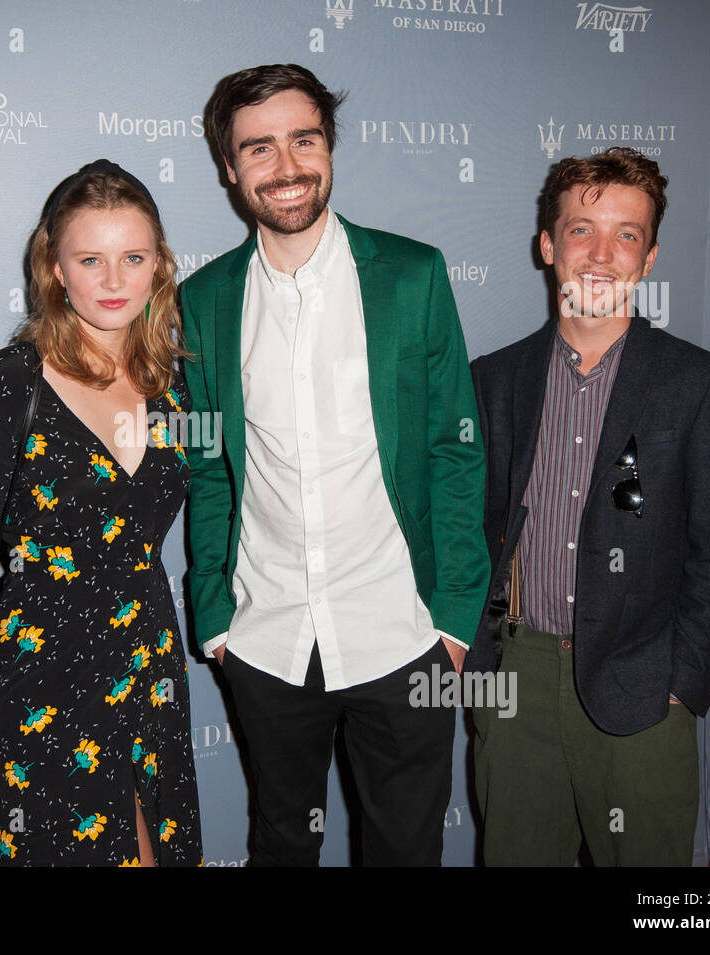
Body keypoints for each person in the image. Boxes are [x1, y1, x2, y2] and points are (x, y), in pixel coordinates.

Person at [181, 64, 489, 866]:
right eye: (258, 147)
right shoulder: (203, 300)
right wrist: (215, 614)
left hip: (404, 632)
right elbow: (209, 464)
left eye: (304, 140)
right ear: (229, 168)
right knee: (282, 842)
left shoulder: (413, 275)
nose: (286, 166)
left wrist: (454, 619)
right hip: (266, 636)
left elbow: (454, 448)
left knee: (405, 849)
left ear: (330, 148)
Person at [468, 147, 710, 866]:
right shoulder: (493, 380)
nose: (601, 254)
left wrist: (682, 680)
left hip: (643, 684)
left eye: (626, 234)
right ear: (548, 244)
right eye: (581, 230)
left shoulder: (698, 385)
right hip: (515, 682)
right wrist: (481, 657)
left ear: (649, 257)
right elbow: (469, 531)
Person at [0, 160, 201, 866]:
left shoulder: (173, 389)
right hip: (44, 664)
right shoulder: (4, 384)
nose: (114, 280)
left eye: (133, 258)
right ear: (55, 268)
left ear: (159, 265)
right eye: (91, 260)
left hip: (149, 650)